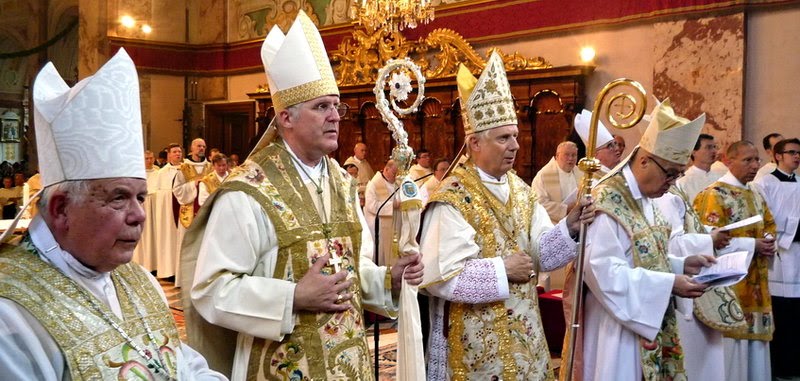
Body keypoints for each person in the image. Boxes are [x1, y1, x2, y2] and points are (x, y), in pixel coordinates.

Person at [180, 11, 424, 380]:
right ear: (285, 118)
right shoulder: (248, 191)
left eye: (336, 106)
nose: (335, 117)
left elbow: (351, 272)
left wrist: (387, 278)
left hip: (349, 361)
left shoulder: (342, 183)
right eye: (321, 107)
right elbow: (212, 290)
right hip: (280, 365)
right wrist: (292, 297)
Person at [0, 48, 225, 380]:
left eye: (141, 197)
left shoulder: (138, 280)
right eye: (119, 198)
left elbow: (184, 366)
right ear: (62, 208)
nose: (139, 216)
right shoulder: (10, 314)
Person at [419, 52, 594, 380]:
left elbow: (541, 252)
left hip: (525, 336)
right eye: (503, 138)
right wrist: (502, 270)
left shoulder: (520, 190)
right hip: (475, 343)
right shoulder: (452, 198)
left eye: (514, 135)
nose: (515, 144)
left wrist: (570, 226)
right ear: (474, 143)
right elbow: (442, 277)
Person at [581, 99, 714, 381]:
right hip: (617, 326)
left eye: (678, 175)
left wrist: (680, 265)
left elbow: (644, 255)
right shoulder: (606, 200)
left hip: (647, 313)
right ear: (643, 160)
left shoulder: (649, 198)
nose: (673, 183)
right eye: (670, 174)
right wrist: (670, 283)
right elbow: (603, 273)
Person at [694, 140, 777, 381]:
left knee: (756, 354)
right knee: (733, 355)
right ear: (729, 162)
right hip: (730, 286)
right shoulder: (714, 195)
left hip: (757, 284)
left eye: (756, 160)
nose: (754, 165)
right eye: (747, 160)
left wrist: (769, 239)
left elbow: (769, 223)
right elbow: (709, 239)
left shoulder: (756, 192)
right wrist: (753, 244)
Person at [654, 185, 751, 381]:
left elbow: (688, 227)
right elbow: (666, 244)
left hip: (693, 283)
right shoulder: (659, 195)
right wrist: (708, 239)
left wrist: (709, 232)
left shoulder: (673, 187)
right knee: (694, 362)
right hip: (683, 288)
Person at [752, 138, 800, 380]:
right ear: (778, 156)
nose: (796, 157)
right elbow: (763, 218)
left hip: (798, 255)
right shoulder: (764, 183)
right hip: (779, 255)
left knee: (796, 314)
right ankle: (779, 367)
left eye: (798, 153)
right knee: (781, 312)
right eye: (791, 152)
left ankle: (794, 365)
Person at [531, 141, 583, 224]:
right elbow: (539, 203)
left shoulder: (580, 173)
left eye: (574, 155)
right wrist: (565, 209)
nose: (570, 158)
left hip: (577, 221)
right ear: (557, 156)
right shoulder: (543, 175)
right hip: (552, 224)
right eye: (566, 154)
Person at [152, 143, 183, 278]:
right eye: (175, 152)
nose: (178, 154)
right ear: (169, 154)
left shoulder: (185, 169)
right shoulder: (162, 173)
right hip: (167, 211)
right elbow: (157, 194)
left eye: (179, 152)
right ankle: (169, 270)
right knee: (168, 238)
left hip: (183, 210)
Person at [364, 159, 398, 266]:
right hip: (378, 227)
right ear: (386, 169)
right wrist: (392, 205)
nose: (396, 176)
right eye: (394, 173)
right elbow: (371, 206)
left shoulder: (397, 183)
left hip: (394, 225)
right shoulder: (374, 184)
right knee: (381, 255)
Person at [676, 133, 727, 203]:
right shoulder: (683, 182)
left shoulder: (721, 178)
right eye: (708, 147)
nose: (714, 151)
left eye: (714, 147)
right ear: (694, 152)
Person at [131, 149, 160, 272]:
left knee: (155, 235)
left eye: (151, 158)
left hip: (155, 206)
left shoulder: (159, 172)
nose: (149, 161)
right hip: (142, 205)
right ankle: (143, 263)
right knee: (144, 235)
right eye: (146, 159)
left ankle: (155, 264)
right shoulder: (137, 172)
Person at [574, 109, 621, 176]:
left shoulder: (616, 173)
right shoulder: (594, 181)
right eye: (610, 146)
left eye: (615, 143)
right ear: (595, 155)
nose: (617, 148)